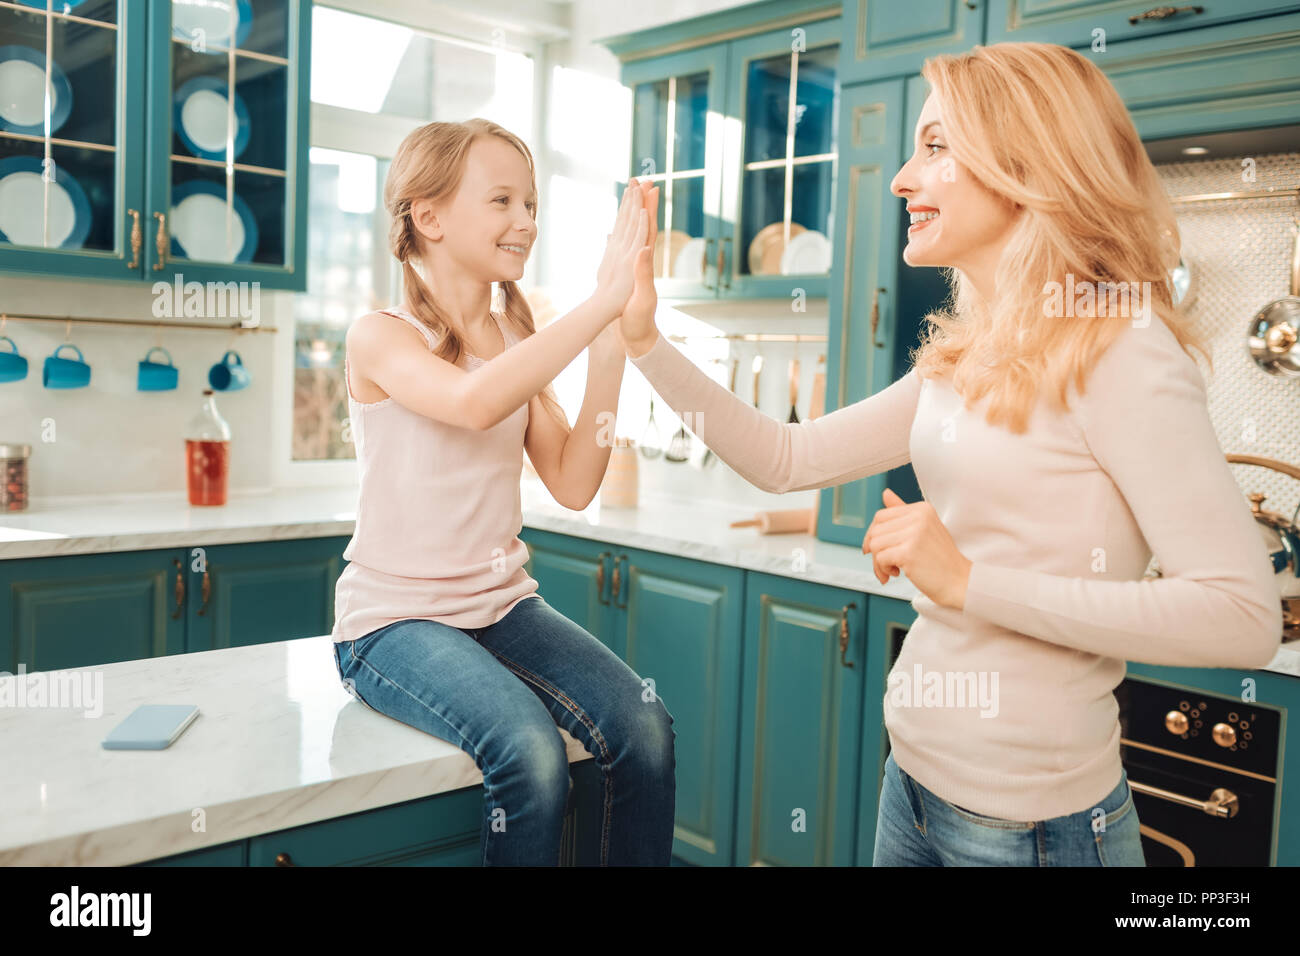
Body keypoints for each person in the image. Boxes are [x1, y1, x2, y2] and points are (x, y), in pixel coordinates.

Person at [617, 43, 1282, 866]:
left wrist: (968, 580)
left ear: (1026, 164)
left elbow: (1243, 616)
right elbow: (787, 457)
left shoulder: (1123, 350)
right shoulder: (966, 353)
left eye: (935, 148)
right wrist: (644, 339)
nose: (900, 178)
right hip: (914, 788)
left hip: (1033, 828)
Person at [331, 117, 674, 866]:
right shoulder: (380, 336)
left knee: (644, 728)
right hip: (394, 623)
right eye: (503, 201)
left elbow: (576, 480)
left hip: (500, 607)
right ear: (429, 216)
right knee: (529, 750)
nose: (526, 222)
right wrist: (595, 302)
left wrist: (615, 332)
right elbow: (473, 403)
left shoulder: (516, 340)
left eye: (532, 206)